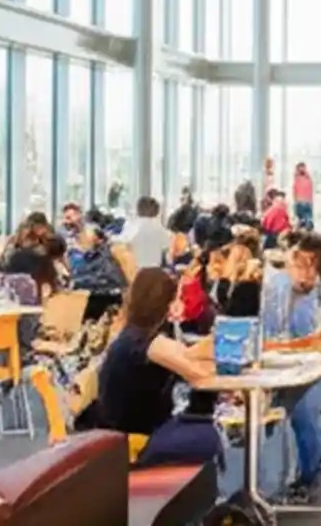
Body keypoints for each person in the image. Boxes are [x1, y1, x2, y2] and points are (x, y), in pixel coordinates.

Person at [97, 268, 217, 467]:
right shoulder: (149, 344)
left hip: (117, 430)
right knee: (208, 434)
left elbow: (186, 354)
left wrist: (206, 348)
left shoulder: (133, 338)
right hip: (138, 438)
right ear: (166, 303)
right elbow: (200, 375)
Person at [261, 233, 321, 505]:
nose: (303, 271)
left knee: (304, 412)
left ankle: (307, 477)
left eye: (311, 266)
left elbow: (313, 340)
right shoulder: (276, 287)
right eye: (298, 261)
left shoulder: (314, 294)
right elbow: (271, 337)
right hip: (276, 368)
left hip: (314, 371)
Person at [117, 196, 169, 269]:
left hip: (134, 271)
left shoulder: (132, 225)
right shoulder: (160, 228)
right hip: (155, 271)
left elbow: (120, 243)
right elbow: (166, 247)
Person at [293, 164, 315, 230]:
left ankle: (302, 228)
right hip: (308, 202)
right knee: (308, 219)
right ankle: (308, 228)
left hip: (300, 202)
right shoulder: (309, 179)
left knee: (301, 220)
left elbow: (295, 191)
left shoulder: (297, 179)